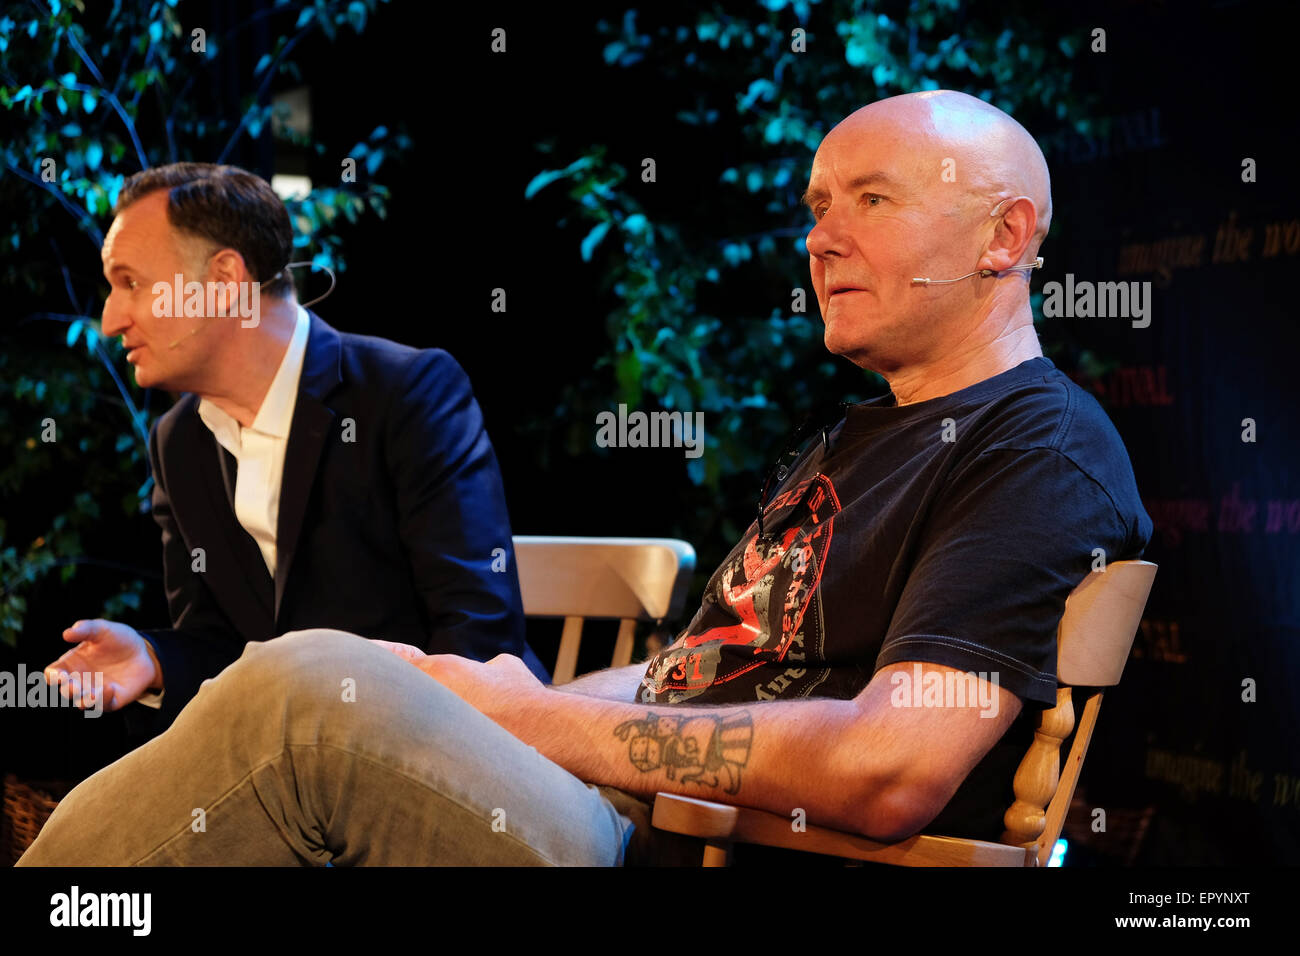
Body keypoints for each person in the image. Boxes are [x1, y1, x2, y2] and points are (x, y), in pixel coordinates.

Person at [19, 90, 1152, 866]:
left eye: (870, 199)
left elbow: (889, 762)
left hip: (694, 845)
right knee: (348, 677)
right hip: (646, 813)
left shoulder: (1034, 447)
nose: (820, 237)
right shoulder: (859, 434)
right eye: (815, 207)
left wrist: (531, 721)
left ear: (1005, 235)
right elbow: (688, 673)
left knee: (309, 687)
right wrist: (475, 699)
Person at [40, 163, 546, 746]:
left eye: (130, 283)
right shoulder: (179, 441)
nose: (108, 320)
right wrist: (155, 658)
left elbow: (477, 637)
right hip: (293, 766)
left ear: (225, 279)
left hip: (451, 751)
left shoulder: (406, 393)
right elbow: (220, 646)